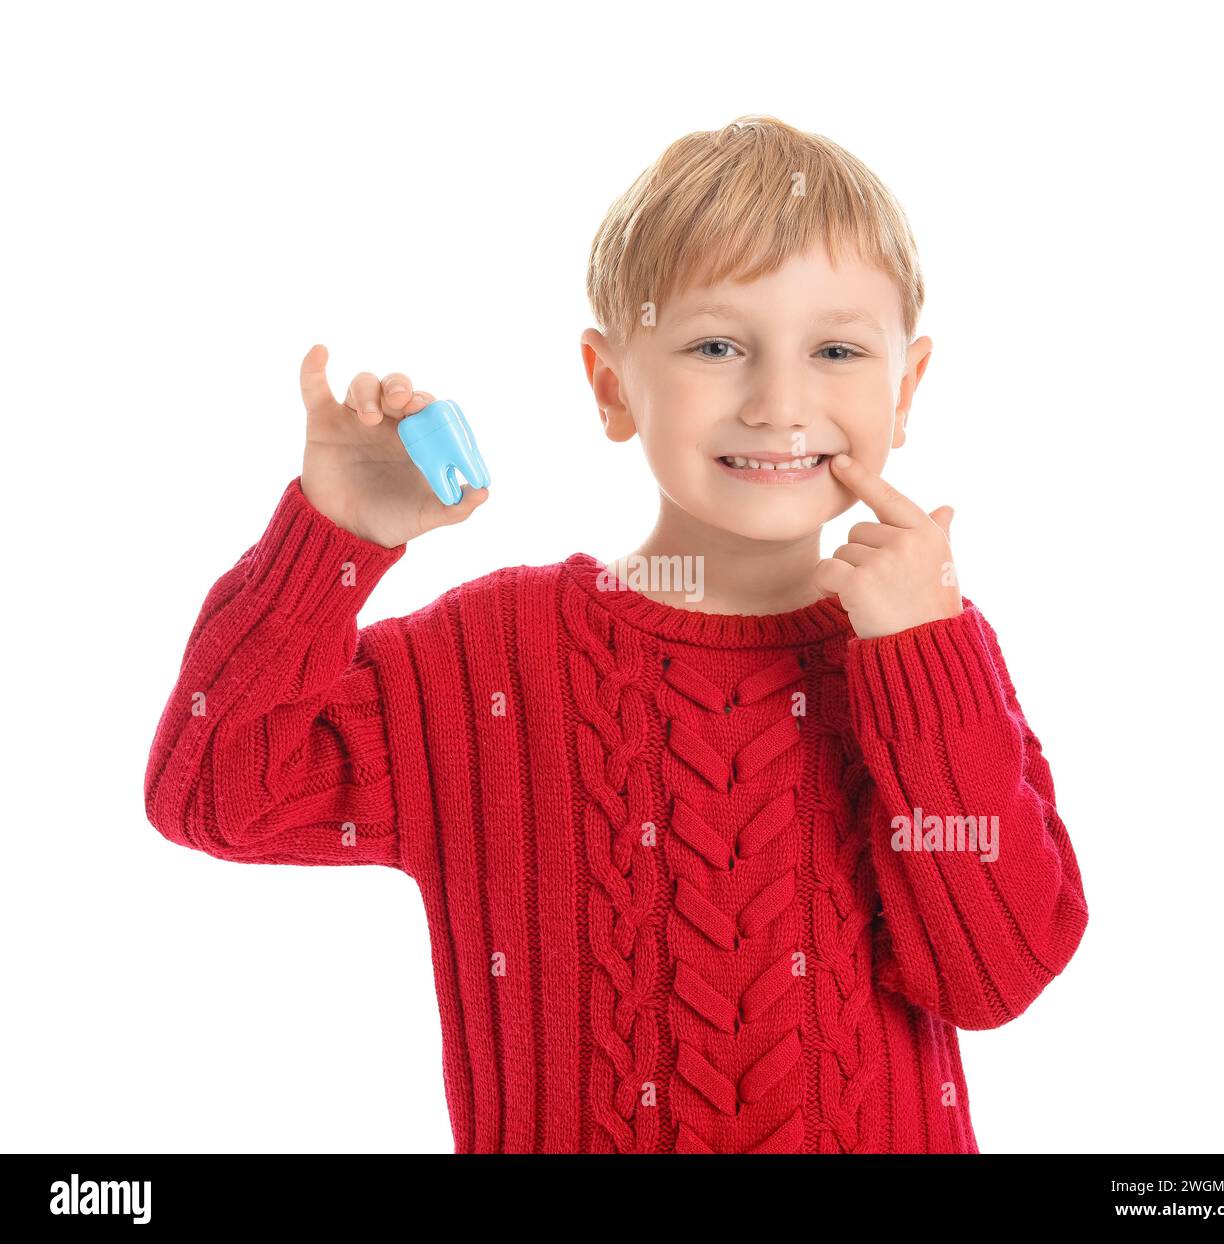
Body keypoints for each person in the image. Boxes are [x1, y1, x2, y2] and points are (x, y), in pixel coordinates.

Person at [144, 113, 1088, 1154]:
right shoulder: (488, 658)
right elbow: (217, 791)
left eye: (835, 349)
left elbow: (994, 973)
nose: (779, 403)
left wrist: (922, 664)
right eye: (716, 346)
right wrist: (334, 539)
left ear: (902, 390)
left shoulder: (930, 654)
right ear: (610, 387)